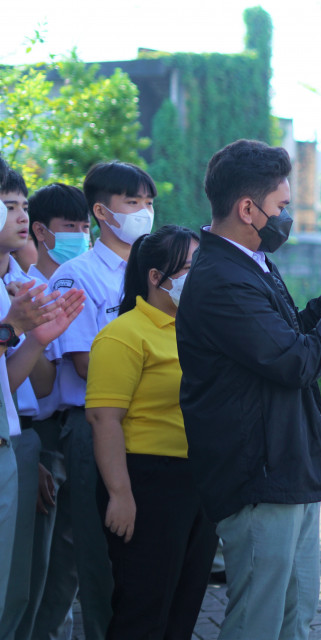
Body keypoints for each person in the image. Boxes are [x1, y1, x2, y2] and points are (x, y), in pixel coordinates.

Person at [178, 139, 321, 640]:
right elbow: (295, 361)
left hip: (285, 467)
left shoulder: (248, 263)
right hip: (257, 473)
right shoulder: (222, 277)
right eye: (282, 206)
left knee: (296, 609)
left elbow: (288, 333)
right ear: (247, 209)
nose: (285, 217)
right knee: (259, 619)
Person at [38, 161, 154, 640]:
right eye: (133, 203)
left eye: (149, 203)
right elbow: (85, 362)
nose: (144, 213)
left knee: (143, 557)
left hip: (148, 424)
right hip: (91, 427)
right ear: (103, 211)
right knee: (96, 561)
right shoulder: (76, 275)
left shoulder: (153, 271)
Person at [87, 226, 219, 639]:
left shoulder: (199, 329)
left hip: (197, 480)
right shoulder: (123, 334)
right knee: (143, 610)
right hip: (146, 481)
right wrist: (120, 495)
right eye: (189, 269)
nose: (199, 277)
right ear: (155, 277)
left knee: (184, 605)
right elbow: (103, 420)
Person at [0, 158, 85, 640]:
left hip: (20, 442)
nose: (17, 217)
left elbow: (28, 385)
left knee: (25, 591)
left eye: (21, 206)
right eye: (8, 206)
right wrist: (15, 327)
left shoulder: (24, 283)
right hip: (19, 442)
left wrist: (35, 339)